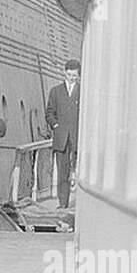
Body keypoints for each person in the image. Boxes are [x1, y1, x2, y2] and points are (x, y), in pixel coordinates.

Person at [45, 60, 80, 208]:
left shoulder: (83, 91)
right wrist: (56, 125)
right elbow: (49, 113)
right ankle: (63, 204)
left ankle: (80, 206)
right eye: (70, 74)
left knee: (80, 173)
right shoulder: (55, 91)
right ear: (65, 72)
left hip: (78, 138)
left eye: (75, 75)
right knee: (62, 174)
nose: (72, 77)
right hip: (62, 138)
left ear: (79, 75)